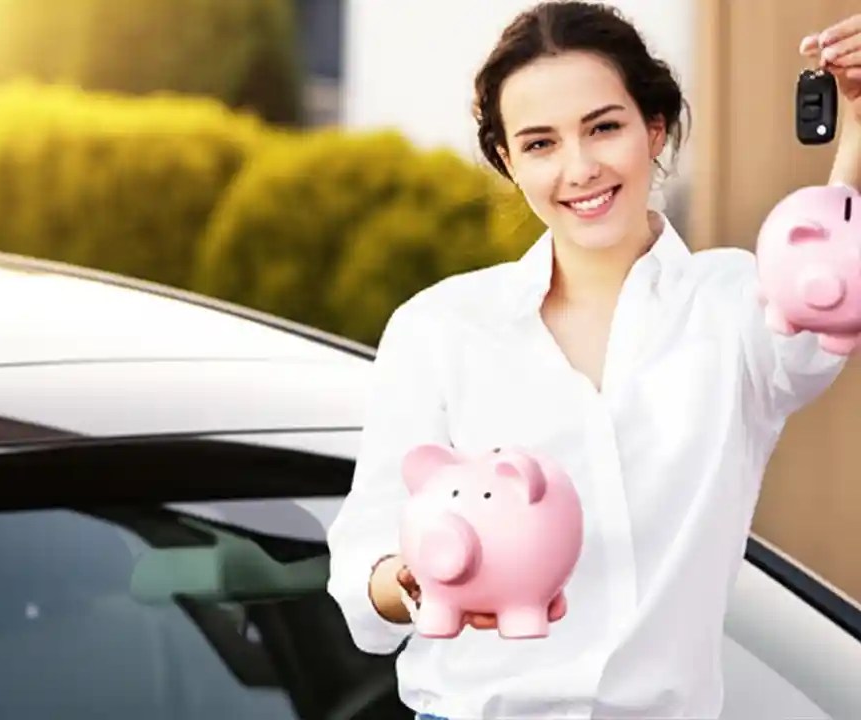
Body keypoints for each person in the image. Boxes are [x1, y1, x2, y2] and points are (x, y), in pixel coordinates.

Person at [325, 2, 861, 719]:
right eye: (540, 144)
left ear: (656, 127)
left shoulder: (734, 305)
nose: (580, 168)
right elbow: (364, 567)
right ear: (509, 163)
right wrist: (429, 576)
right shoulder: (440, 329)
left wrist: (855, 129)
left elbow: (827, 277)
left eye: (604, 127)